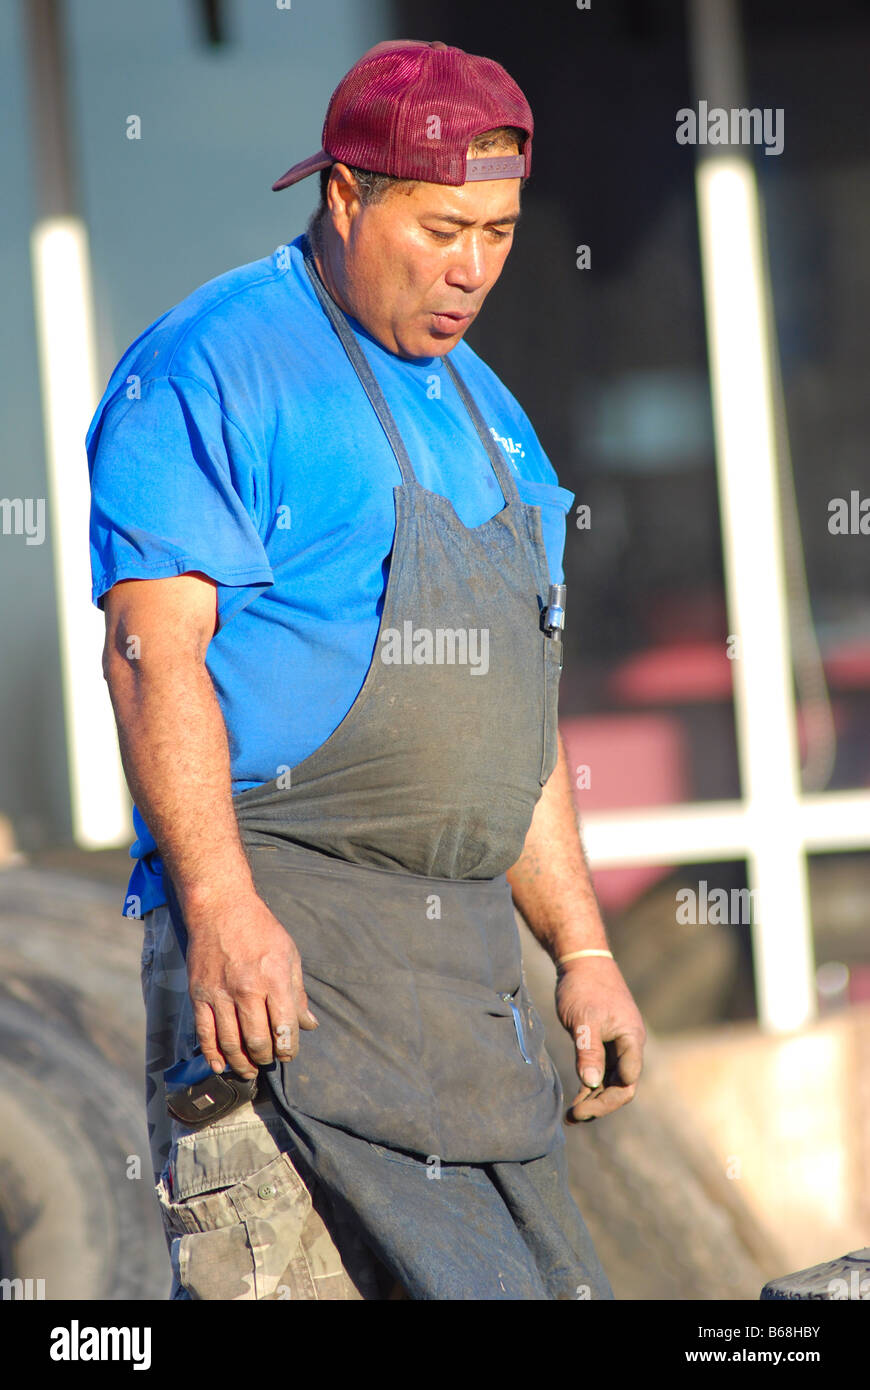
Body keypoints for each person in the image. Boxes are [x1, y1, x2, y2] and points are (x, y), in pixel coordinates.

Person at [88, 38, 646, 1301]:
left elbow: (515, 714)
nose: (474, 269)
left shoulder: (495, 414)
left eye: (499, 232)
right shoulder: (210, 366)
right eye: (443, 226)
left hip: (460, 1004)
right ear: (345, 197)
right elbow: (147, 656)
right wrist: (222, 914)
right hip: (280, 963)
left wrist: (582, 949)